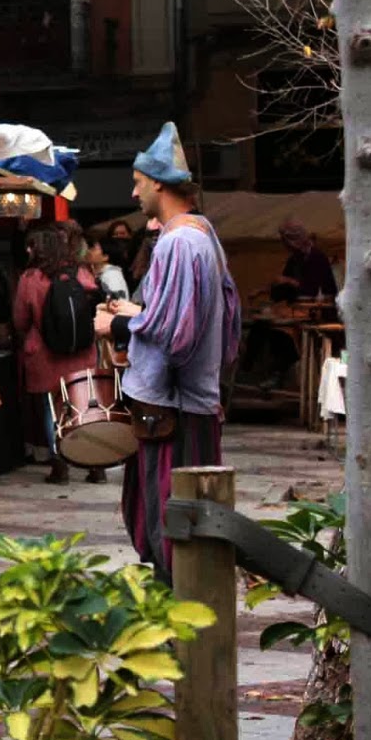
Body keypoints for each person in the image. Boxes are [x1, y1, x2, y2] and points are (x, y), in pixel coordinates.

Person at [95, 122, 240, 585]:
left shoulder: (180, 241)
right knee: (175, 527)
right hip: (183, 407)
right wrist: (143, 311)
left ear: (158, 182)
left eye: (138, 183)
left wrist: (119, 323)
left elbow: (178, 334)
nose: (134, 192)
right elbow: (216, 318)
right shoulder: (203, 235)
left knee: (172, 532)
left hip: (173, 410)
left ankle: (183, 641)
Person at [12, 224, 102, 484]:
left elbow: (21, 319)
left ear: (36, 249)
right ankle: (96, 465)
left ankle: (59, 465)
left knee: (53, 410)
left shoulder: (30, 278)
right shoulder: (81, 272)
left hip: (45, 356)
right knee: (83, 408)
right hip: (82, 352)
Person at [269, 219, 338, 302]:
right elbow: (285, 285)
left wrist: (289, 281)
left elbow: (312, 290)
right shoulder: (293, 259)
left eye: (285, 241)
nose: (285, 245)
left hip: (320, 310)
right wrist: (265, 290)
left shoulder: (317, 257)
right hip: (298, 310)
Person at [85, 235, 131, 301]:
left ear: (105, 257)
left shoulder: (112, 275)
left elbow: (118, 302)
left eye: (93, 249)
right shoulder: (96, 272)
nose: (89, 251)